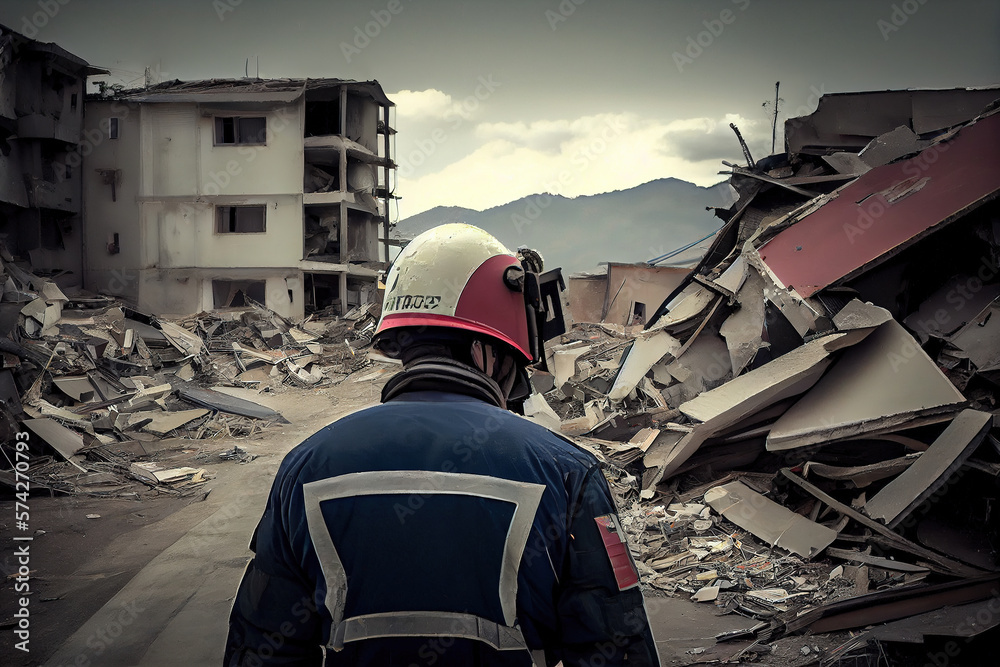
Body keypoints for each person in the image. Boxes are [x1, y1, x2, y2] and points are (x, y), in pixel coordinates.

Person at [224, 223, 660, 666]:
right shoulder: (567, 472)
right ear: (488, 350)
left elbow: (261, 645)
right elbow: (617, 649)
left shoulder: (305, 467)